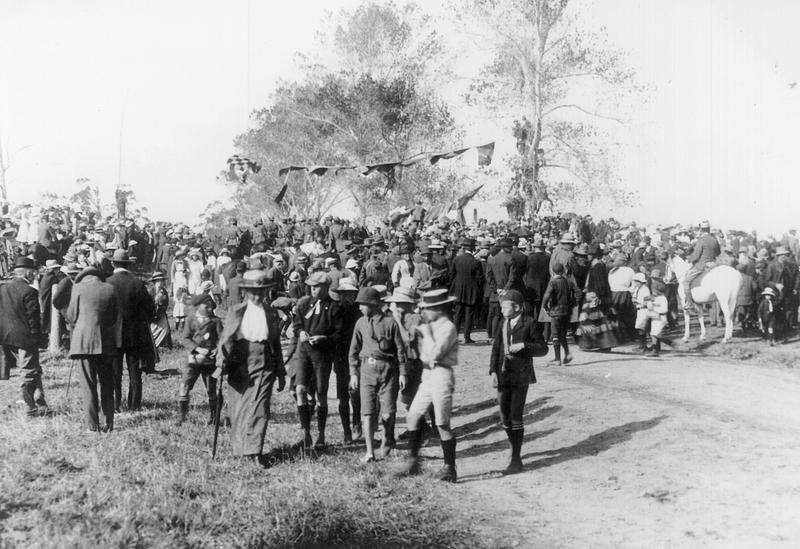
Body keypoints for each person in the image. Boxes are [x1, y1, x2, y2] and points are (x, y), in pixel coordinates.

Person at [218, 270, 285, 463]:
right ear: (246, 291)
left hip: (265, 363)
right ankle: (240, 450)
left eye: (261, 292)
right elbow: (226, 340)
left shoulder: (271, 313)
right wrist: (221, 363)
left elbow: (276, 343)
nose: (257, 296)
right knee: (239, 408)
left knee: (260, 408)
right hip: (240, 364)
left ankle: (255, 451)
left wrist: (280, 371)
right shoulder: (236, 311)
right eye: (253, 292)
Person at [396, 288, 459, 483]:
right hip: (428, 374)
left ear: (438, 309)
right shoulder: (429, 325)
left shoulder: (447, 327)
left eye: (427, 308)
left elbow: (436, 353)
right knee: (413, 415)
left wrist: (424, 333)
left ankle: (450, 467)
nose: (424, 312)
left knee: (441, 423)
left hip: (441, 373)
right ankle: (413, 462)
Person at [348, 287, 407, 463]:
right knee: (367, 413)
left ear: (373, 305)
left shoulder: (390, 323)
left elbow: (400, 351)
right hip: (367, 371)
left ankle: (388, 438)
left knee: (388, 414)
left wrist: (402, 373)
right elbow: (353, 351)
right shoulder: (360, 323)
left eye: (363, 304)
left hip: (388, 371)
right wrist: (353, 373)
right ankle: (369, 451)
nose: (359, 308)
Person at [489, 289, 541, 474]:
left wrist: (525, 346)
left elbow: (542, 348)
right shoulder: (503, 323)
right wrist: (493, 371)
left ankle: (516, 459)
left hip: (521, 375)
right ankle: (513, 447)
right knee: (504, 415)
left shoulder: (530, 323)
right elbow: (496, 348)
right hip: (503, 374)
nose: (502, 310)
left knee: (515, 415)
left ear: (517, 307)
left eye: (505, 306)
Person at [293, 271, 343, 449]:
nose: (313, 290)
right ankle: (306, 432)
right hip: (304, 352)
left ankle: (321, 435)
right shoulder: (305, 304)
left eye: (317, 287)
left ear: (326, 288)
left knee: (321, 394)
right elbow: (297, 323)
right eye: (311, 287)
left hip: (322, 355)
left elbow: (339, 334)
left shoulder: (335, 307)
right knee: (300, 389)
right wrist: (300, 332)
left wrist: (324, 339)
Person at [65, 266, 118, 432]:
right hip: (106, 343)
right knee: (107, 384)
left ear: (83, 277)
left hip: (83, 343)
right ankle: (109, 423)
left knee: (88, 385)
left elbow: (71, 316)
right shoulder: (110, 289)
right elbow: (113, 318)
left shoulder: (78, 288)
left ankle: (92, 426)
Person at [107, 249, 156, 412]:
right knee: (135, 371)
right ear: (129, 265)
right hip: (134, 334)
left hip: (113, 335)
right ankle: (134, 404)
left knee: (114, 371)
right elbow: (150, 308)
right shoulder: (137, 283)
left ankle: (115, 405)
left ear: (113, 263)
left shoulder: (107, 282)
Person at [0, 256, 49, 415]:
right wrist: (39, 339)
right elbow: (33, 319)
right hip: (25, 338)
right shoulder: (30, 291)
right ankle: (30, 407)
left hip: (7, 337)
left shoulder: (3, 289)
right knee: (28, 372)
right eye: (33, 273)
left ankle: (40, 399)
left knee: (33, 368)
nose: (34, 275)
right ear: (28, 273)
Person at [178, 294, 222, 424]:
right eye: (206, 307)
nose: (209, 309)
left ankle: (214, 418)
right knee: (184, 386)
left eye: (211, 307)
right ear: (198, 306)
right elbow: (185, 338)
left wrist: (217, 350)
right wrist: (196, 349)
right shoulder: (191, 319)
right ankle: (182, 417)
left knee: (211, 389)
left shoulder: (216, 321)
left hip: (210, 361)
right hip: (194, 360)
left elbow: (222, 338)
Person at [449, 237, 484, 344]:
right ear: (473, 249)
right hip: (471, 291)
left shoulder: (456, 259)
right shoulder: (476, 262)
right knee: (469, 314)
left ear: (464, 248)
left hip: (458, 290)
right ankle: (467, 337)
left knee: (458, 314)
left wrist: (456, 284)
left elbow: (451, 275)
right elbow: (480, 279)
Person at [541, 262, 575, 366]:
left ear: (553, 271)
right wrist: (572, 305)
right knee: (562, 335)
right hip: (566, 311)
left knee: (555, 334)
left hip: (556, 311)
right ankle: (567, 353)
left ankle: (557, 359)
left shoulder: (553, 282)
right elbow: (577, 293)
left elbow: (547, 295)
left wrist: (544, 306)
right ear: (562, 271)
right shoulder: (569, 282)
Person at [683, 221, 720, 308]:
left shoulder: (701, 240)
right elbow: (718, 252)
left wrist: (690, 260)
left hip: (701, 265)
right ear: (709, 229)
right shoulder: (714, 239)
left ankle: (689, 303)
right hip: (713, 264)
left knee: (685, 282)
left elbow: (696, 255)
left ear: (701, 230)